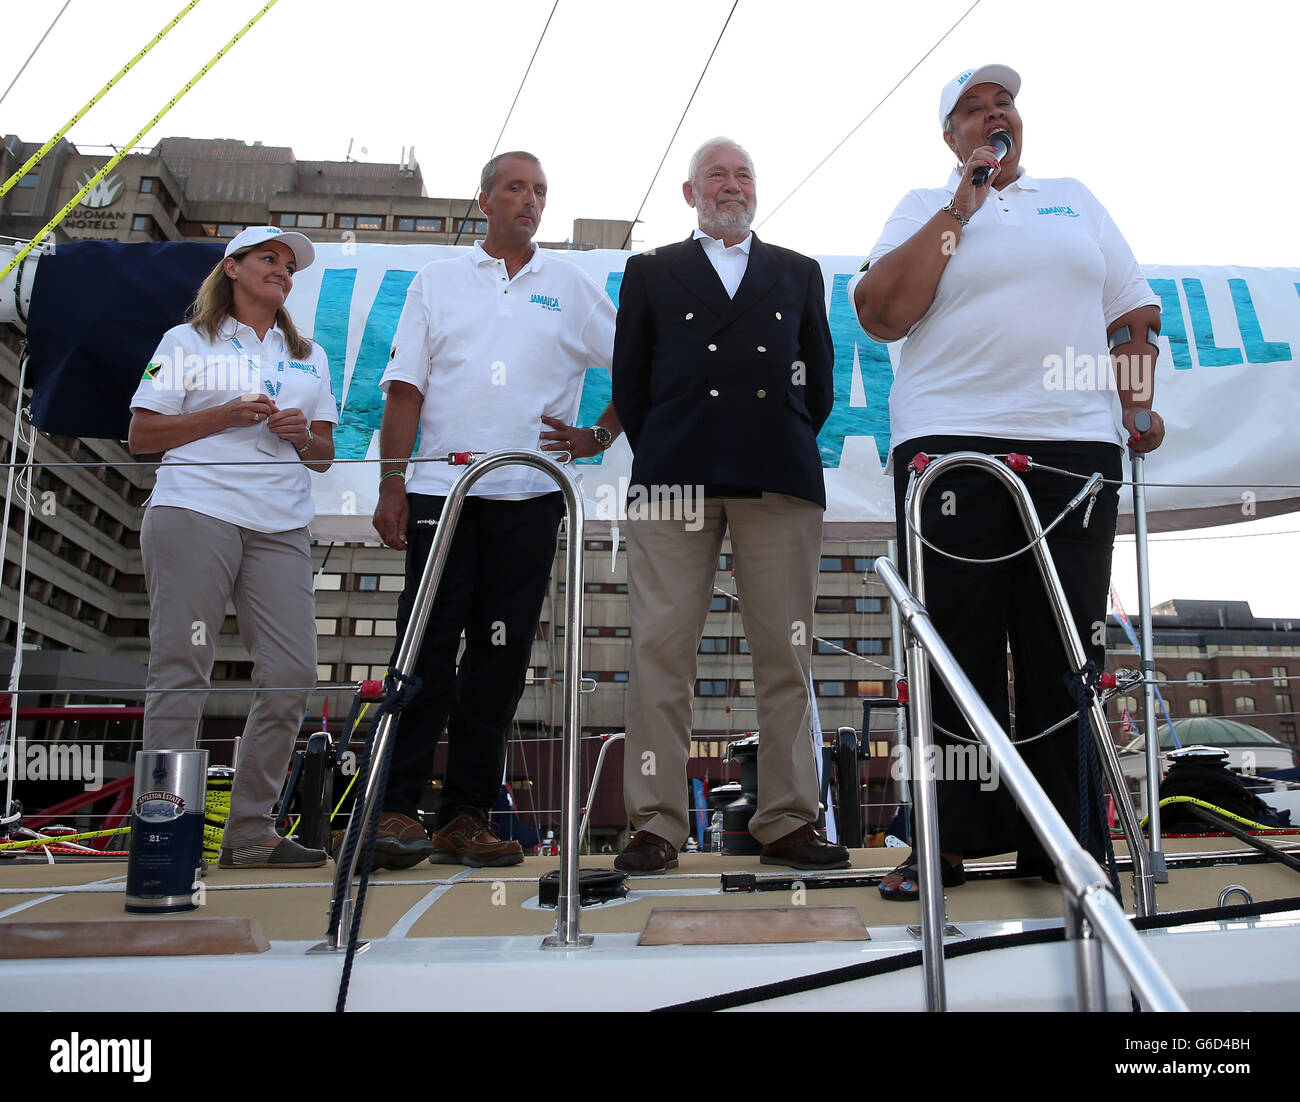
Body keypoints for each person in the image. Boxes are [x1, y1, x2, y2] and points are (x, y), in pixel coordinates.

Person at [851, 65, 1164, 899]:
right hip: (948, 440)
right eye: (973, 111)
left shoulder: (1075, 199)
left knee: (1065, 646)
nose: (994, 116)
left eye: (1004, 105)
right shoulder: (925, 207)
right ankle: (945, 839)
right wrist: (963, 205)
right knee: (955, 647)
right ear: (951, 139)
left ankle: (1063, 840)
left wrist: (1137, 404)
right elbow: (882, 312)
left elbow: (1130, 312)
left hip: (1073, 445)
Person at [371, 151, 621, 869]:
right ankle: (393, 808)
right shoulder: (437, 281)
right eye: (516, 187)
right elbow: (404, 389)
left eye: (540, 190)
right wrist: (392, 484)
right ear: (483, 200)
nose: (530, 200)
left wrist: (598, 435)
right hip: (439, 497)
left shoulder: (570, 288)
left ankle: (465, 817)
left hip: (530, 498)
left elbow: (640, 361)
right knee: (422, 652)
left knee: (500, 662)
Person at [611, 137, 848, 873]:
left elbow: (820, 387)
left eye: (743, 173)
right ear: (689, 193)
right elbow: (631, 387)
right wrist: (674, 446)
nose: (731, 184)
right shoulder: (650, 273)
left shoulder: (797, 272)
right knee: (660, 653)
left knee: (786, 653)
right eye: (716, 174)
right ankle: (655, 822)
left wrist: (774, 436)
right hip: (675, 475)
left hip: (777, 476)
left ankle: (786, 819)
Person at [128, 225, 338, 869]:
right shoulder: (184, 342)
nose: (282, 270)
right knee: (182, 671)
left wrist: (301, 434)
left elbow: (325, 457)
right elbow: (141, 435)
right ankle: (165, 837)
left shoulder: (311, 355)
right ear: (233, 268)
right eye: (269, 259)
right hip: (195, 510)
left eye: (289, 265)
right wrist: (224, 415)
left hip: (280, 525)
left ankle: (248, 833)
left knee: (292, 674)